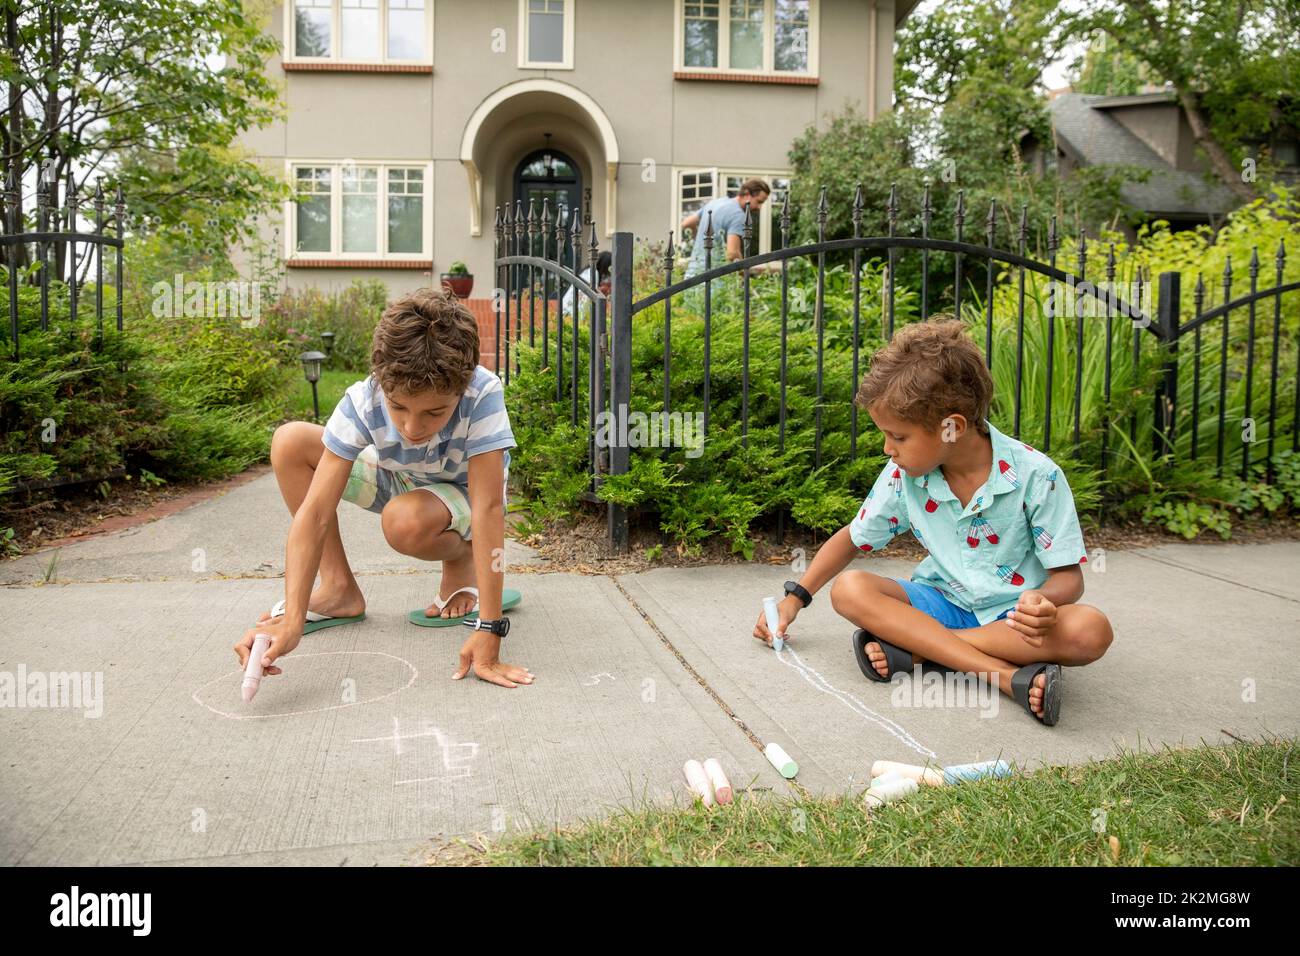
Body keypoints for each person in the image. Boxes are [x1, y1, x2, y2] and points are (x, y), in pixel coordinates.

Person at [752, 318, 1113, 725]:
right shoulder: (905, 476)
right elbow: (853, 538)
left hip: (1011, 620)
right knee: (851, 589)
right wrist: (793, 599)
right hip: (941, 604)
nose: (888, 449)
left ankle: (920, 650)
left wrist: (1044, 603)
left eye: (899, 437)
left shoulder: (1037, 475)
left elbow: (1069, 580)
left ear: (951, 427)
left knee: (1091, 630)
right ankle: (1005, 676)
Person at [234, 288, 534, 689]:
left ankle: (460, 557)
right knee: (290, 440)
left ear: (460, 390)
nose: (412, 427)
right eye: (399, 407)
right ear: (381, 381)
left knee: (404, 521)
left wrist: (490, 628)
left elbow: (488, 510)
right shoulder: (364, 400)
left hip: (463, 492)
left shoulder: (482, 394)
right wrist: (293, 617)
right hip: (401, 478)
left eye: (434, 412)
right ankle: (338, 588)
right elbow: (316, 511)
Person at [678, 179, 770, 308]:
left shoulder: (715, 203)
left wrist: (697, 237)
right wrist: (745, 272)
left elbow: (686, 223)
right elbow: (732, 254)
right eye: (759, 202)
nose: (759, 207)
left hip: (692, 278)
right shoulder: (738, 215)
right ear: (747, 194)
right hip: (713, 284)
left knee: (693, 325)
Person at [561, 250, 611, 316]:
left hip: (567, 309)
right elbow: (590, 297)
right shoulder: (593, 273)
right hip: (570, 312)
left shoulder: (588, 272)